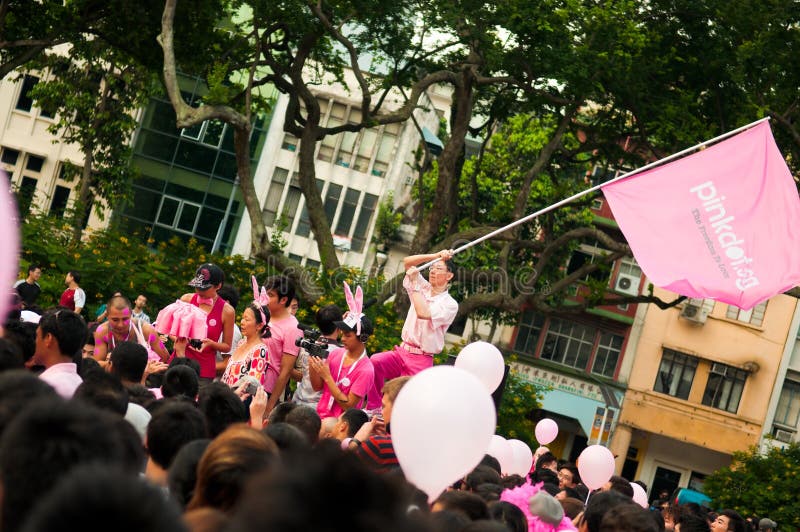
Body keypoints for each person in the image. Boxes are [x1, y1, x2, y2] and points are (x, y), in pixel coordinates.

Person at [367, 249, 458, 410]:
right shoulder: (422, 285)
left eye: (438, 268)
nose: (433, 271)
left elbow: (423, 313)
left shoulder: (450, 304)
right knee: (376, 361)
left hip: (421, 358)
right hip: (401, 352)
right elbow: (408, 262)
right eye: (431, 268)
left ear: (449, 276)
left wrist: (415, 285)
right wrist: (435, 256)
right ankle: (374, 408)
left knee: (407, 402)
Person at [310, 287, 375, 420]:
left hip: (341, 426)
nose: (343, 339)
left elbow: (349, 405)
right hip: (320, 415)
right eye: (342, 334)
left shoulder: (366, 370)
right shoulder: (336, 354)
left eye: (347, 335)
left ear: (363, 338)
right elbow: (317, 387)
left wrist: (327, 377)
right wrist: (313, 362)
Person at [173, 264, 235, 386]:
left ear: (218, 286)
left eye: (204, 288)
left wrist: (211, 343)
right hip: (179, 361)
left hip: (203, 371)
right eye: (197, 287)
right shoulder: (186, 299)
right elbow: (171, 331)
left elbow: (227, 346)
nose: (199, 291)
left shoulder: (227, 311)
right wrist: (182, 339)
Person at [260, 275, 302, 416]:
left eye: (270, 295)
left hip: (265, 390)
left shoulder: (293, 327)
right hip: (243, 378)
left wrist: (269, 406)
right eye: (265, 293)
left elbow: (285, 371)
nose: (265, 298)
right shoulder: (260, 314)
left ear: (283, 300)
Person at [219, 283, 271, 391]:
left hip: (238, 402)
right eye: (243, 318)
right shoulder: (242, 342)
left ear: (260, 325)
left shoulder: (259, 351)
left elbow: (252, 387)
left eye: (247, 319)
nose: (242, 322)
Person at [92, 295, 169, 365]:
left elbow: (165, 359)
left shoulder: (146, 330)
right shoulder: (102, 331)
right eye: (115, 320)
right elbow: (96, 364)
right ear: (107, 316)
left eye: (125, 319)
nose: (120, 324)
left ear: (131, 314)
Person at [292, 304, 343, 409]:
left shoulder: (308, 345)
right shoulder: (340, 353)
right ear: (339, 327)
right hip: (316, 407)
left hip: (298, 399)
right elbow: (318, 387)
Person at [34, 309, 87, 398]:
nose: (35, 342)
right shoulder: (80, 384)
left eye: (36, 336)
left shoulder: (44, 386)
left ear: (48, 338)